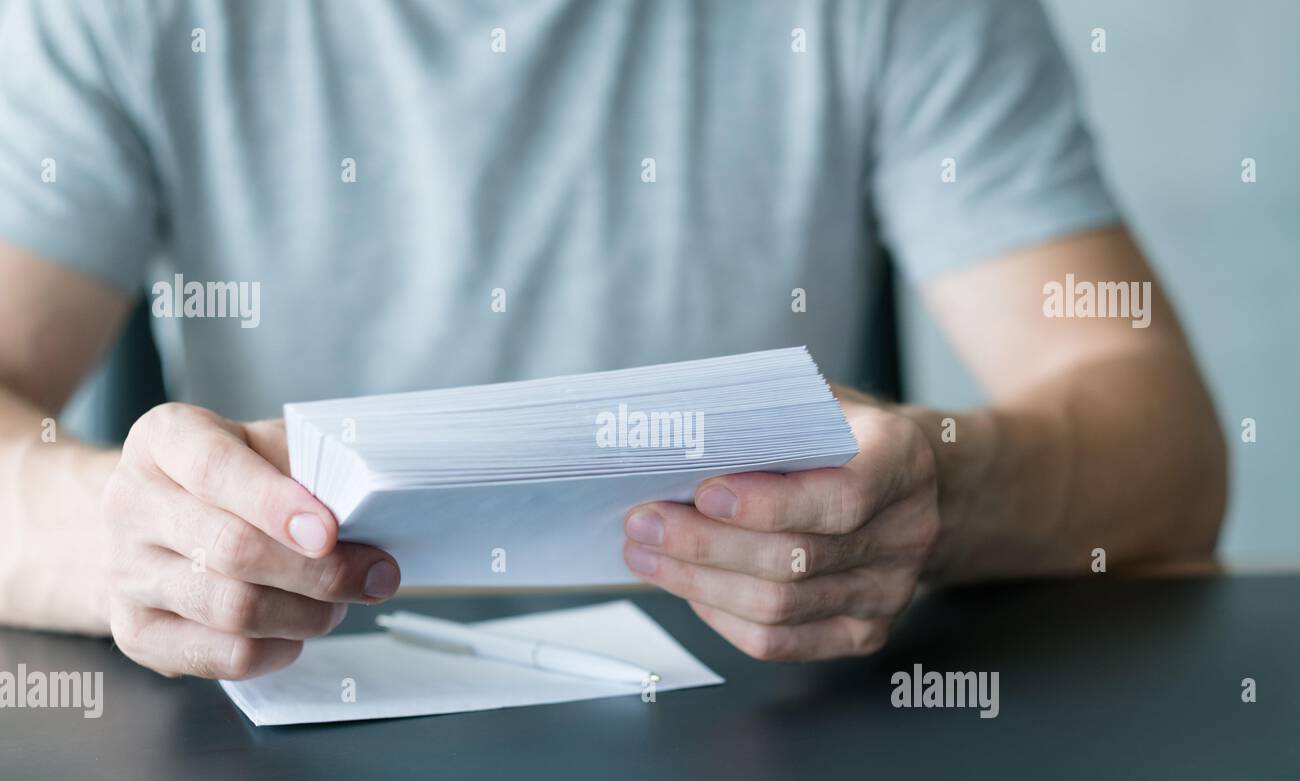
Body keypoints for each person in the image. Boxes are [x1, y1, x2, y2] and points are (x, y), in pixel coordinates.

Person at [0, 0, 1225, 678]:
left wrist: (942, 490)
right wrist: (123, 530)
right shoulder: (117, 15)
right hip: (286, 699)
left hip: (766, 734)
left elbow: (1161, 455)